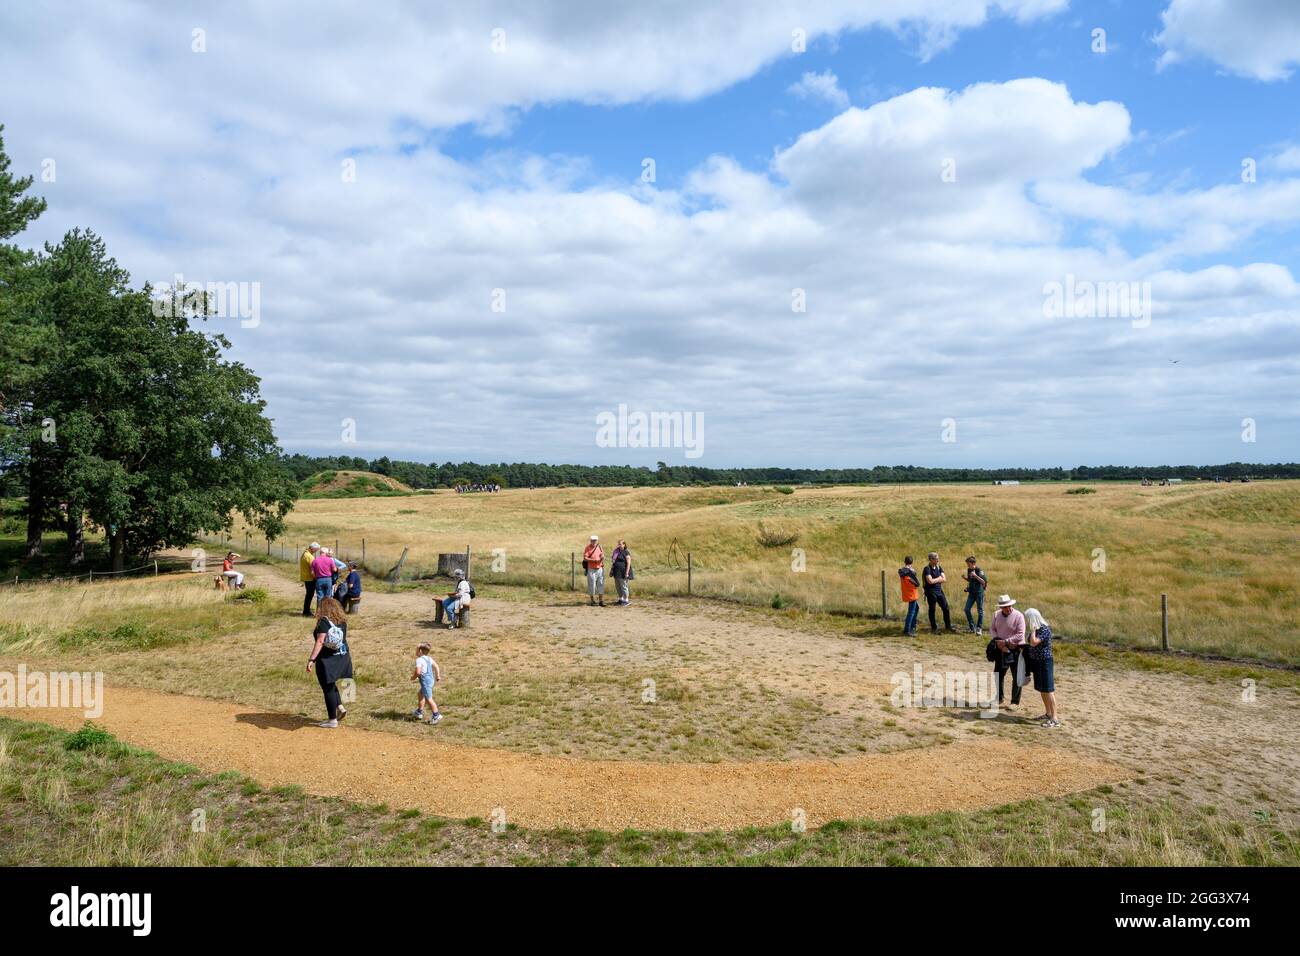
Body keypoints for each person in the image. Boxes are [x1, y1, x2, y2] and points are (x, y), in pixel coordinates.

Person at [306, 596, 353, 728]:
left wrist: (311, 660)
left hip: (327, 660)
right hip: (343, 656)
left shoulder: (323, 622)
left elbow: (320, 641)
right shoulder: (342, 621)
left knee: (327, 687)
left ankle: (332, 720)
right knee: (331, 684)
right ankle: (340, 707)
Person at [1023, 607, 1059, 727]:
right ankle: (1048, 713)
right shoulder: (1037, 629)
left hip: (1045, 662)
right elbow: (1027, 641)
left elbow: (1033, 642)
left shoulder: (1044, 629)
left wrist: (1033, 630)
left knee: (1048, 689)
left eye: (1028, 619)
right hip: (1037, 662)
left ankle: (1055, 718)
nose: (1027, 621)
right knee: (1042, 689)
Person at [989, 594, 1026, 707]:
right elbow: (992, 629)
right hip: (1001, 648)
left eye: (1009, 606)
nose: (1008, 608)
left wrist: (1005, 642)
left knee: (1017, 676)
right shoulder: (996, 615)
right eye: (1005, 606)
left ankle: (1014, 702)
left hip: (1016, 649)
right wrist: (998, 641)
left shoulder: (1019, 616)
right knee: (998, 675)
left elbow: (1020, 635)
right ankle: (999, 698)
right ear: (1001, 607)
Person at [922, 552, 956, 633]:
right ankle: (934, 628)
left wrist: (935, 580)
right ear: (930, 559)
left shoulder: (939, 567)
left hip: (939, 591)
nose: (938, 560)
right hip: (930, 592)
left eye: (938, 558)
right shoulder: (927, 569)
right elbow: (929, 581)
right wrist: (939, 578)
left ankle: (948, 626)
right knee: (932, 609)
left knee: (946, 608)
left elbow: (944, 579)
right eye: (935, 558)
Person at [410, 642, 443, 724]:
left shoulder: (419, 660)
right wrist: (438, 675)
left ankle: (436, 715)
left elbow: (418, 672)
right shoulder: (429, 658)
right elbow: (436, 666)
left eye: (416, 649)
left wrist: (413, 677)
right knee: (420, 694)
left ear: (420, 651)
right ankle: (419, 712)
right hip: (431, 680)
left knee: (429, 699)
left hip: (426, 682)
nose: (416, 651)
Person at [963, 556, 987, 635]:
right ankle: (972, 627)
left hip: (979, 593)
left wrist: (976, 575)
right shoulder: (969, 570)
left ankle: (979, 628)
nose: (967, 565)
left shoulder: (979, 570)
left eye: (968, 563)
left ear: (973, 563)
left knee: (980, 611)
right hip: (971, 593)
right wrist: (965, 580)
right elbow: (970, 580)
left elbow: (984, 582)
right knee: (966, 609)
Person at [898, 556, 921, 636]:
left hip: (907, 592)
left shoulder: (902, 571)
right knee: (911, 612)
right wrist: (913, 573)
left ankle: (912, 626)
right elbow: (917, 583)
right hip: (912, 593)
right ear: (912, 562)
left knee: (916, 608)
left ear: (905, 562)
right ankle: (907, 630)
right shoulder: (911, 572)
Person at [299, 542, 321, 616]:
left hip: (306, 577)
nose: (316, 551)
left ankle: (306, 610)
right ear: (312, 548)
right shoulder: (309, 556)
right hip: (310, 578)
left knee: (309, 595)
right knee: (309, 595)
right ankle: (306, 611)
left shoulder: (305, 554)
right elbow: (314, 567)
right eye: (316, 550)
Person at [583, 534, 605, 607]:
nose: (594, 541)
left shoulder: (600, 547)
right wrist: (594, 560)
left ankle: (601, 601)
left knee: (601, 584)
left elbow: (602, 555)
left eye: (595, 540)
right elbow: (585, 558)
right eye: (592, 540)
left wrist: (602, 557)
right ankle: (592, 600)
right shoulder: (587, 547)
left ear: (597, 540)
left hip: (600, 568)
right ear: (590, 540)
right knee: (592, 585)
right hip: (591, 569)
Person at [610, 539, 633, 606]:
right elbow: (614, 562)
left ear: (624, 544)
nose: (619, 545)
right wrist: (611, 570)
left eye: (620, 544)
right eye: (618, 544)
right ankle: (621, 599)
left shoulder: (626, 552)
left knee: (624, 586)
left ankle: (626, 600)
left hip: (623, 572)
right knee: (618, 586)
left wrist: (627, 573)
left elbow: (628, 563)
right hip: (616, 572)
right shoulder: (616, 552)